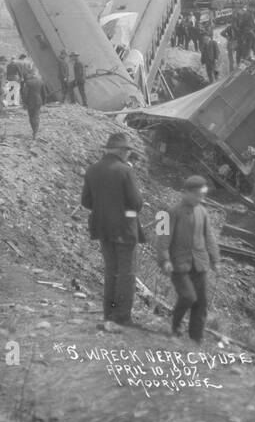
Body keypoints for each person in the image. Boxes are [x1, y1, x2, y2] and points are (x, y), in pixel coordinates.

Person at [81, 133, 144, 331]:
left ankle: (109, 312)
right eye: (127, 151)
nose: (128, 155)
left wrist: (104, 209)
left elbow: (86, 202)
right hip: (124, 229)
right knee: (126, 272)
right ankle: (122, 316)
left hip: (103, 227)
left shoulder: (92, 170)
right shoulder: (125, 171)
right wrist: (128, 213)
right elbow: (136, 203)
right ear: (120, 151)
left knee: (111, 271)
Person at [158, 175, 221, 343]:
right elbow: (161, 239)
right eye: (199, 194)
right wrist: (165, 260)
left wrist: (215, 260)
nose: (202, 198)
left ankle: (196, 338)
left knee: (201, 304)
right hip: (179, 265)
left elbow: (210, 237)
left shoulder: (203, 212)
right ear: (186, 193)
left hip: (200, 264)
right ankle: (175, 326)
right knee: (188, 297)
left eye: (203, 195)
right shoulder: (167, 213)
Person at [22, 71, 45, 138]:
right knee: (36, 115)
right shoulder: (41, 81)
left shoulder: (28, 82)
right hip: (39, 100)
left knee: (31, 116)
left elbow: (25, 93)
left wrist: (24, 102)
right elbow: (44, 93)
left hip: (30, 101)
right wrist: (43, 101)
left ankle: (34, 130)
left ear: (30, 74)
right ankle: (36, 131)